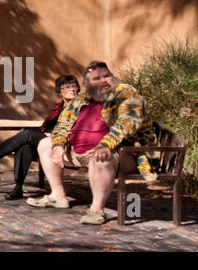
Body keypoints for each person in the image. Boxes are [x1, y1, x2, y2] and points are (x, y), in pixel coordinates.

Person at [26, 60, 158, 225]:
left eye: (107, 76)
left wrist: (106, 144)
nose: (103, 81)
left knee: (101, 155)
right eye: (97, 78)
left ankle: (97, 209)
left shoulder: (126, 94)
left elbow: (127, 124)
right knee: (46, 144)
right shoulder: (81, 99)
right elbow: (62, 125)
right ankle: (57, 196)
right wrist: (59, 145)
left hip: (122, 153)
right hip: (78, 153)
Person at [0, 74, 79, 200]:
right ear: (60, 92)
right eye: (67, 87)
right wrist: (40, 133)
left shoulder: (81, 107)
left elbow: (79, 130)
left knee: (28, 134)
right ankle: (18, 187)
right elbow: (45, 127)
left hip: (63, 144)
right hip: (46, 144)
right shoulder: (57, 107)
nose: (72, 89)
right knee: (25, 145)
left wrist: (53, 135)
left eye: (74, 86)